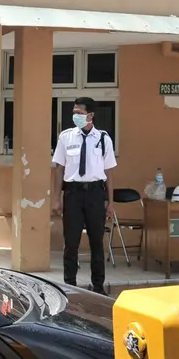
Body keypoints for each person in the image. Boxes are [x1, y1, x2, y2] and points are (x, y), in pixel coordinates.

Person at [52, 96, 116, 295]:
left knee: (97, 241)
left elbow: (109, 173)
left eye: (79, 113)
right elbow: (59, 169)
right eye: (74, 113)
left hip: (95, 194)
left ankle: (98, 286)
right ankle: (69, 286)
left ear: (91, 115)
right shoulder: (66, 137)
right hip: (72, 194)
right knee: (71, 242)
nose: (76, 116)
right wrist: (56, 197)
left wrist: (110, 202)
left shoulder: (103, 139)